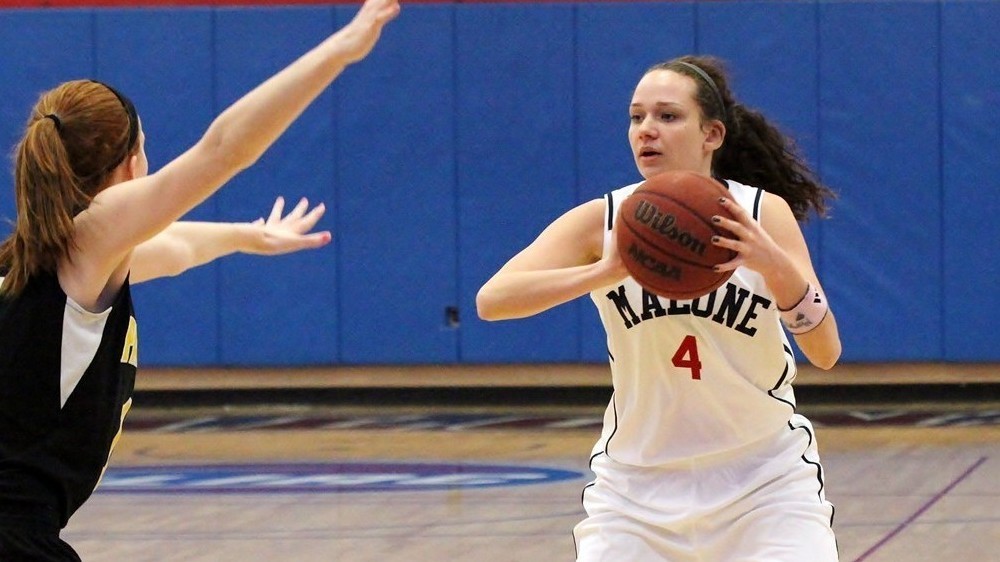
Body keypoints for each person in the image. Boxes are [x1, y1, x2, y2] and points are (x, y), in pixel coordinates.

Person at [0, 0, 400, 559]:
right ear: (127, 167)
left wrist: (246, 235)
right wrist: (340, 49)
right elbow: (224, 150)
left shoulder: (49, 259)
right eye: (145, 149)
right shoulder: (87, 239)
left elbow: (177, 247)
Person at [477, 55, 842, 561]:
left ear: (711, 134)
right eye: (636, 117)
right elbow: (491, 301)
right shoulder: (604, 220)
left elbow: (825, 351)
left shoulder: (760, 214)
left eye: (667, 116)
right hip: (635, 494)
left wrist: (774, 265)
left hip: (764, 485)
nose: (647, 130)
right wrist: (597, 274)